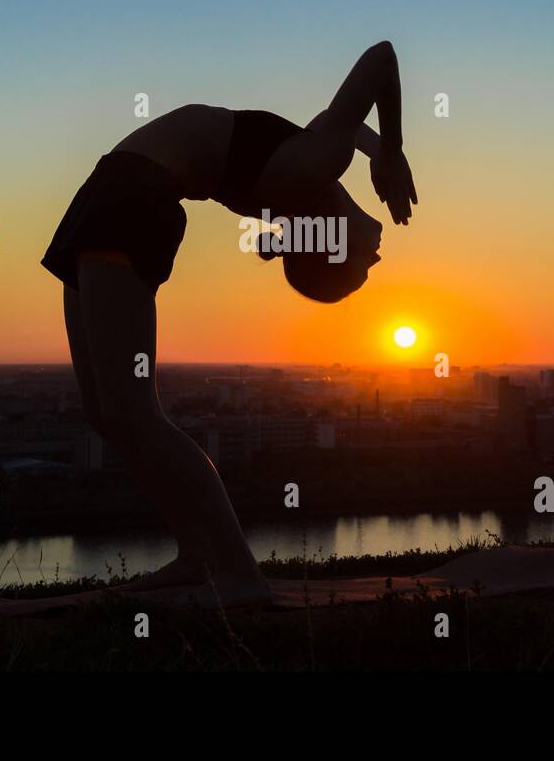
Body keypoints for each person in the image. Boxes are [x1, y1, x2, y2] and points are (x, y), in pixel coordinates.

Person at [40, 41, 417, 606]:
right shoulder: (315, 162)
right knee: (106, 413)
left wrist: (381, 150)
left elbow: (360, 98)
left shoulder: (311, 168)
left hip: (130, 194)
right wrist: (389, 149)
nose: (377, 258)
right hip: (113, 188)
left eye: (362, 267)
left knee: (132, 412)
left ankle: (237, 573)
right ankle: (199, 559)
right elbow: (381, 60)